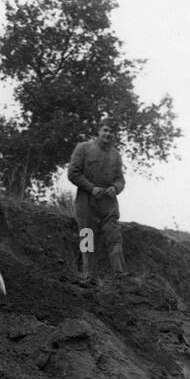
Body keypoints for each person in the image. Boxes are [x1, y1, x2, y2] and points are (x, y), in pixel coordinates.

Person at [67, 117, 127, 286]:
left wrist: (115, 188)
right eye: (105, 130)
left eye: (111, 132)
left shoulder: (116, 156)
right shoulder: (83, 149)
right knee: (87, 239)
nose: (108, 134)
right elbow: (73, 173)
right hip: (87, 202)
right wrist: (91, 188)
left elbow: (121, 180)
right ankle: (89, 277)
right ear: (99, 131)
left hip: (108, 204)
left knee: (114, 237)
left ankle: (120, 276)